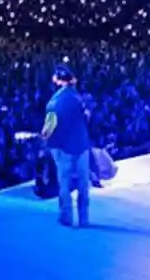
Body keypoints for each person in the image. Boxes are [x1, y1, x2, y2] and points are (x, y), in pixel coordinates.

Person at [39, 63, 92, 227]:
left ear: (57, 80)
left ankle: (66, 217)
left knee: (65, 183)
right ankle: (84, 218)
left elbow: (48, 129)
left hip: (62, 148)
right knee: (83, 184)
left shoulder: (54, 102)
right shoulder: (79, 99)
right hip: (82, 145)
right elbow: (86, 118)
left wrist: (42, 138)